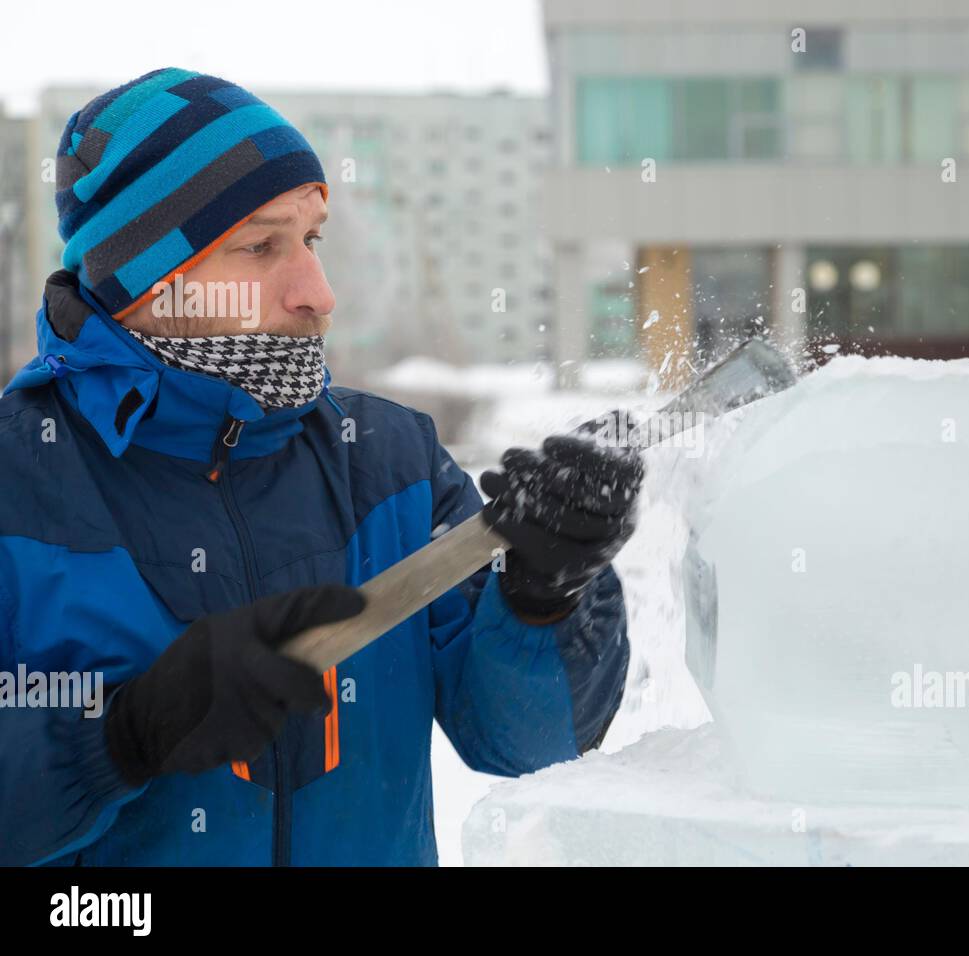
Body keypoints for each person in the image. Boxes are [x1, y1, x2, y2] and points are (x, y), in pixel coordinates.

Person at [0, 68, 641, 866]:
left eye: (311, 240)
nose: (318, 292)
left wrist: (544, 600)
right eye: (261, 245)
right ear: (142, 278)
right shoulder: (20, 483)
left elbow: (532, 743)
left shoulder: (388, 462)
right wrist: (122, 736)